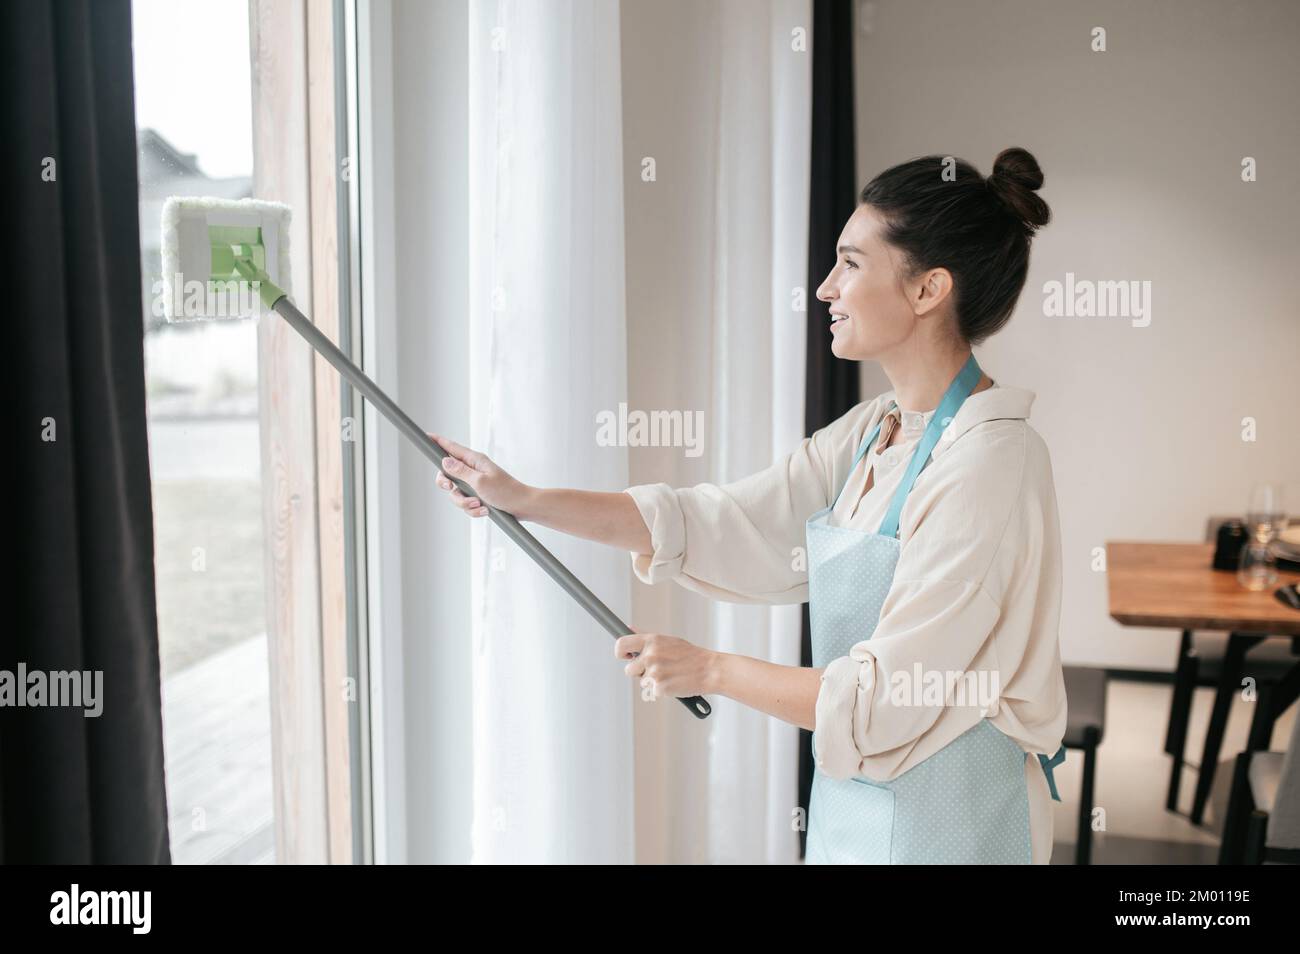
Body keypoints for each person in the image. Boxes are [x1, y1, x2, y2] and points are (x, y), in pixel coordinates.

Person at [432, 146, 1068, 864]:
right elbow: (723, 521)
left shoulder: (988, 464)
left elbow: (887, 698)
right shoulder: (873, 432)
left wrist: (711, 670)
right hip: (854, 808)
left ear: (927, 290)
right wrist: (524, 499)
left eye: (852, 264)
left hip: (952, 826)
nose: (826, 288)